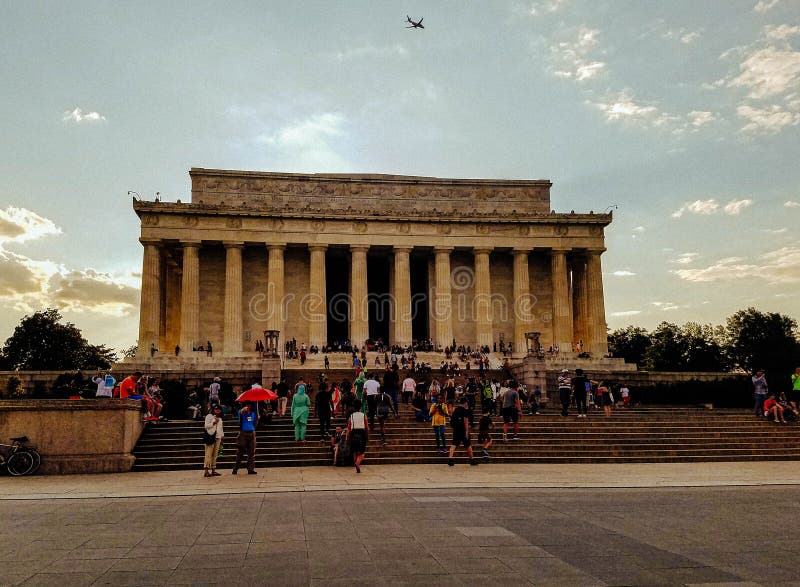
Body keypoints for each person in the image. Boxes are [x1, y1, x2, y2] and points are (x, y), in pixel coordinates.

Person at [447, 396, 479, 467]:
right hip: (462, 430)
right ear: (465, 403)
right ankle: (472, 460)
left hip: (456, 429)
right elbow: (466, 421)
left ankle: (450, 459)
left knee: (454, 444)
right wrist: (467, 431)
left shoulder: (456, 410)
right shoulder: (464, 411)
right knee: (468, 445)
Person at [232, 402, 258, 475]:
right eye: (247, 405)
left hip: (251, 432)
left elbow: (255, 421)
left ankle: (251, 468)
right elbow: (239, 416)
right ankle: (236, 468)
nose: (248, 406)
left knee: (251, 452)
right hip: (243, 433)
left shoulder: (253, 413)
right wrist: (242, 411)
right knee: (240, 452)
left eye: (249, 405)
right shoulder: (241, 412)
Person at [347, 399, 369, 473]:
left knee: (354, 451)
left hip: (353, 433)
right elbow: (367, 427)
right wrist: (367, 435)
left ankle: (356, 462)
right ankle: (357, 463)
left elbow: (348, 428)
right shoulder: (363, 415)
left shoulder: (351, 416)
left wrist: (347, 437)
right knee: (362, 452)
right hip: (361, 433)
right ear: (360, 407)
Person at [203, 405, 224, 477]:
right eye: (216, 409)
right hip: (210, 437)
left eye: (219, 409)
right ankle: (206, 471)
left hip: (218, 437)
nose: (218, 410)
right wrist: (214, 423)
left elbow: (221, 428)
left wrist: (222, 437)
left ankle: (213, 470)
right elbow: (206, 426)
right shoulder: (209, 416)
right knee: (208, 454)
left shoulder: (220, 418)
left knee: (215, 455)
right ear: (213, 410)